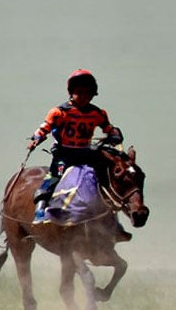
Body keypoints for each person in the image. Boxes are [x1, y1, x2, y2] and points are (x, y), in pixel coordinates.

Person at [27, 69, 124, 224]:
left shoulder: (97, 113)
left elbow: (109, 128)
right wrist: (36, 139)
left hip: (86, 153)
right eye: (80, 92)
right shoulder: (59, 112)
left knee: (106, 176)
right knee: (53, 177)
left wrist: (115, 135)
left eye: (88, 93)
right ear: (71, 93)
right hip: (64, 154)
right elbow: (44, 128)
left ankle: (113, 219)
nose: (84, 97)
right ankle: (40, 210)